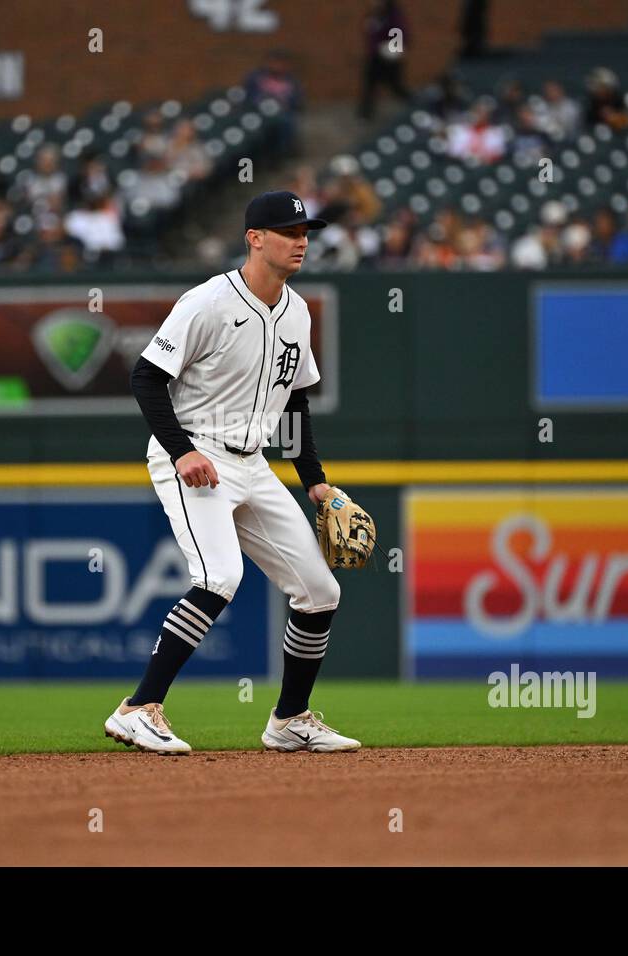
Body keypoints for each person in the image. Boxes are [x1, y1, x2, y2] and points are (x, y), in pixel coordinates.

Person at [105, 189, 359, 755]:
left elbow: (294, 403)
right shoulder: (208, 302)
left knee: (320, 591)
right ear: (254, 238)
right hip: (196, 456)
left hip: (254, 463)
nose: (301, 242)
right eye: (290, 232)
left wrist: (314, 480)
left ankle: (289, 719)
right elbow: (146, 377)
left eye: (306, 233)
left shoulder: (296, 310)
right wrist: (180, 451)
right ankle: (137, 708)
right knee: (219, 577)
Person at [359, 0, 413, 120]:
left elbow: (400, 32)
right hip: (375, 56)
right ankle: (365, 111)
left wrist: (394, 49)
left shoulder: (393, 16)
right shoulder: (375, 15)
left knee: (395, 86)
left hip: (389, 58)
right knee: (370, 82)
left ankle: (414, 103)